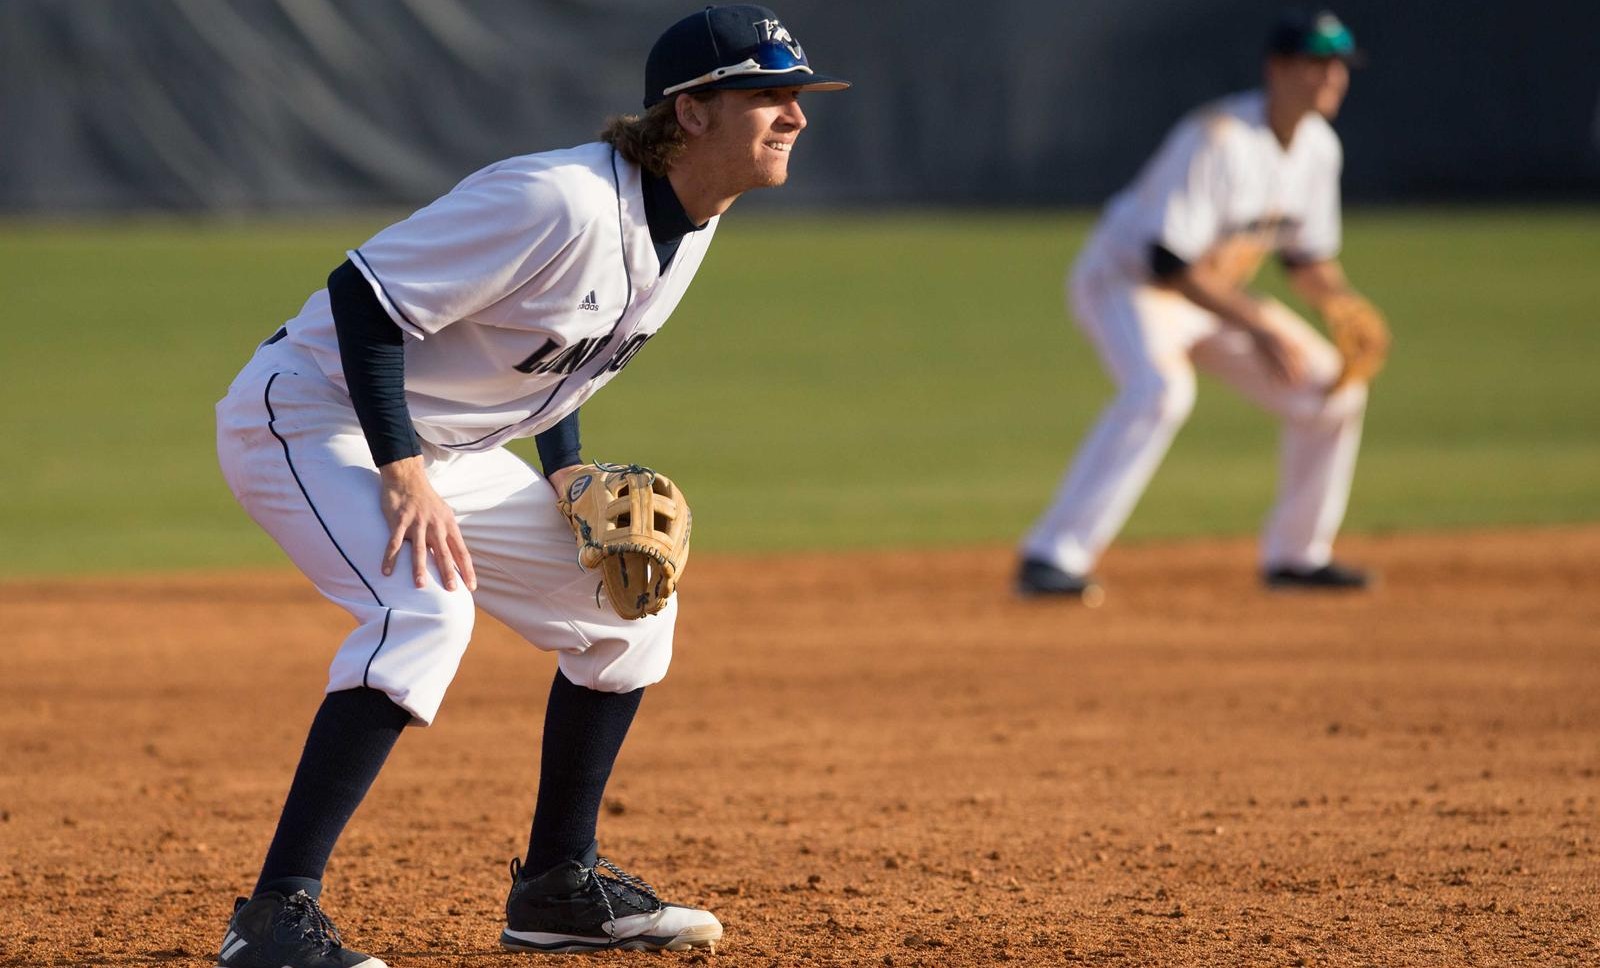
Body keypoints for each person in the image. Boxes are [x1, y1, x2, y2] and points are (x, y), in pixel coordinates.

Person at [212, 7, 848, 965]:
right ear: (694, 112)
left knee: (625, 608)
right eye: (767, 94)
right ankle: (271, 919)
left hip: (452, 446)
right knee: (424, 608)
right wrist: (403, 470)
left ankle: (559, 887)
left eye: (797, 94)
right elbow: (363, 296)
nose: (794, 114)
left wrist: (568, 475)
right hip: (314, 416)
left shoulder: (692, 224)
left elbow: (559, 362)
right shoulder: (558, 199)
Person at [1017, 9, 1385, 602]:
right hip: (1126, 282)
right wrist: (1262, 327)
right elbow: (1167, 260)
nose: (1332, 78)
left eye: (1339, 66)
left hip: (1210, 296)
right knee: (1161, 392)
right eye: (1317, 64)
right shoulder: (1218, 139)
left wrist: (1343, 303)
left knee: (1334, 388)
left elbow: (1304, 259)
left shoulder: (1319, 147)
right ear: (1277, 69)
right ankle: (1051, 555)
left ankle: (1296, 555)